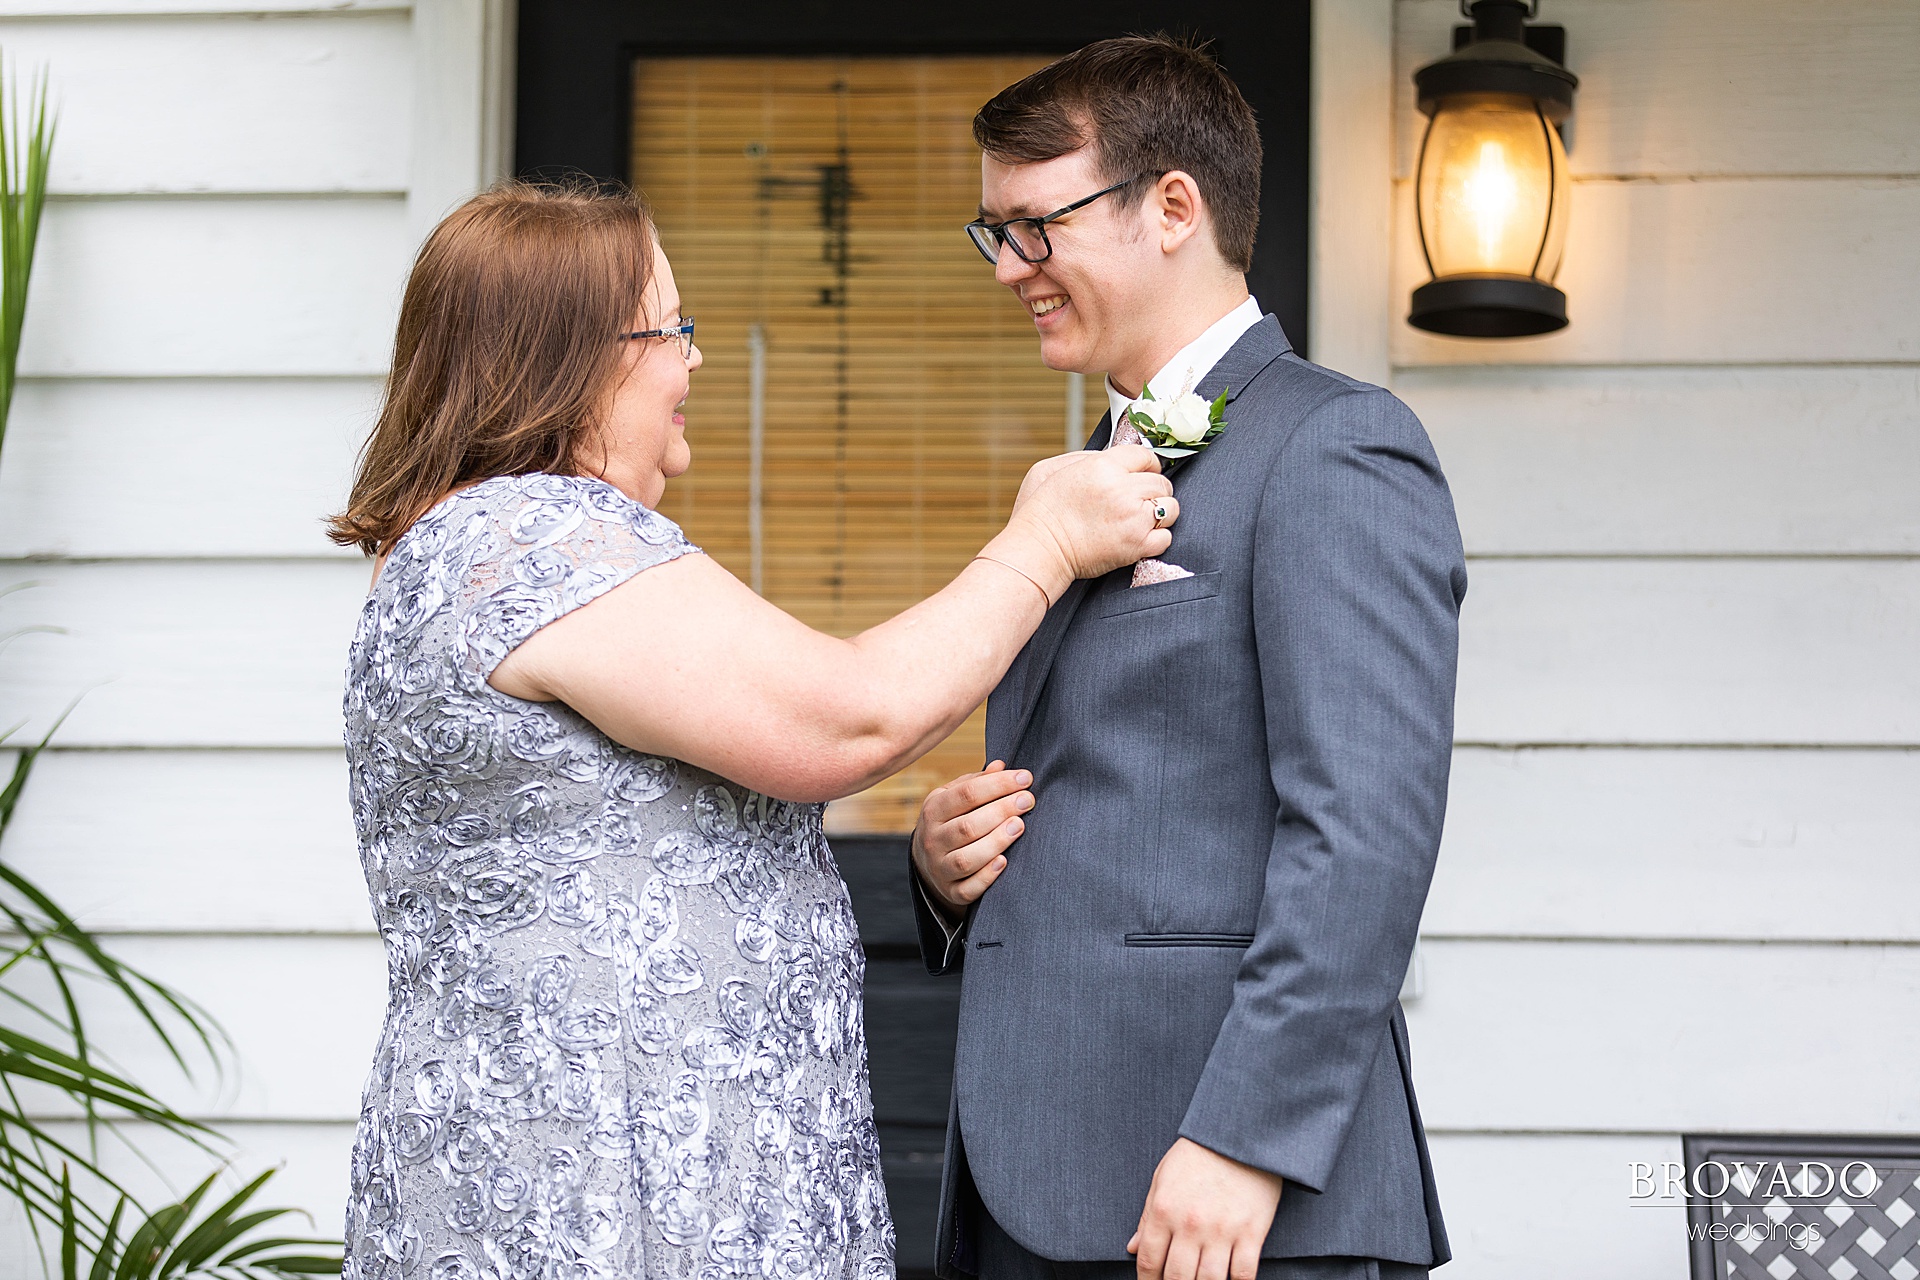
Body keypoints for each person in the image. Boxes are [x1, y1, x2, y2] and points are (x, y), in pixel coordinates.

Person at [329, 181, 1178, 1280]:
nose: (694, 361)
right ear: (573, 356)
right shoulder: (530, 539)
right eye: (670, 328)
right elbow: (846, 716)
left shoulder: (459, 546)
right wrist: (1046, 542)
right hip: (602, 1196)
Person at [909, 37, 1466, 1280]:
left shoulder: (1339, 447)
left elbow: (1364, 827)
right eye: (991, 232)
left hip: (1225, 1195)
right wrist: (954, 868)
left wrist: (1245, 1135)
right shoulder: (1083, 476)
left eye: (1035, 225)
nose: (1010, 268)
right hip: (1034, 1180)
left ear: (1172, 206)